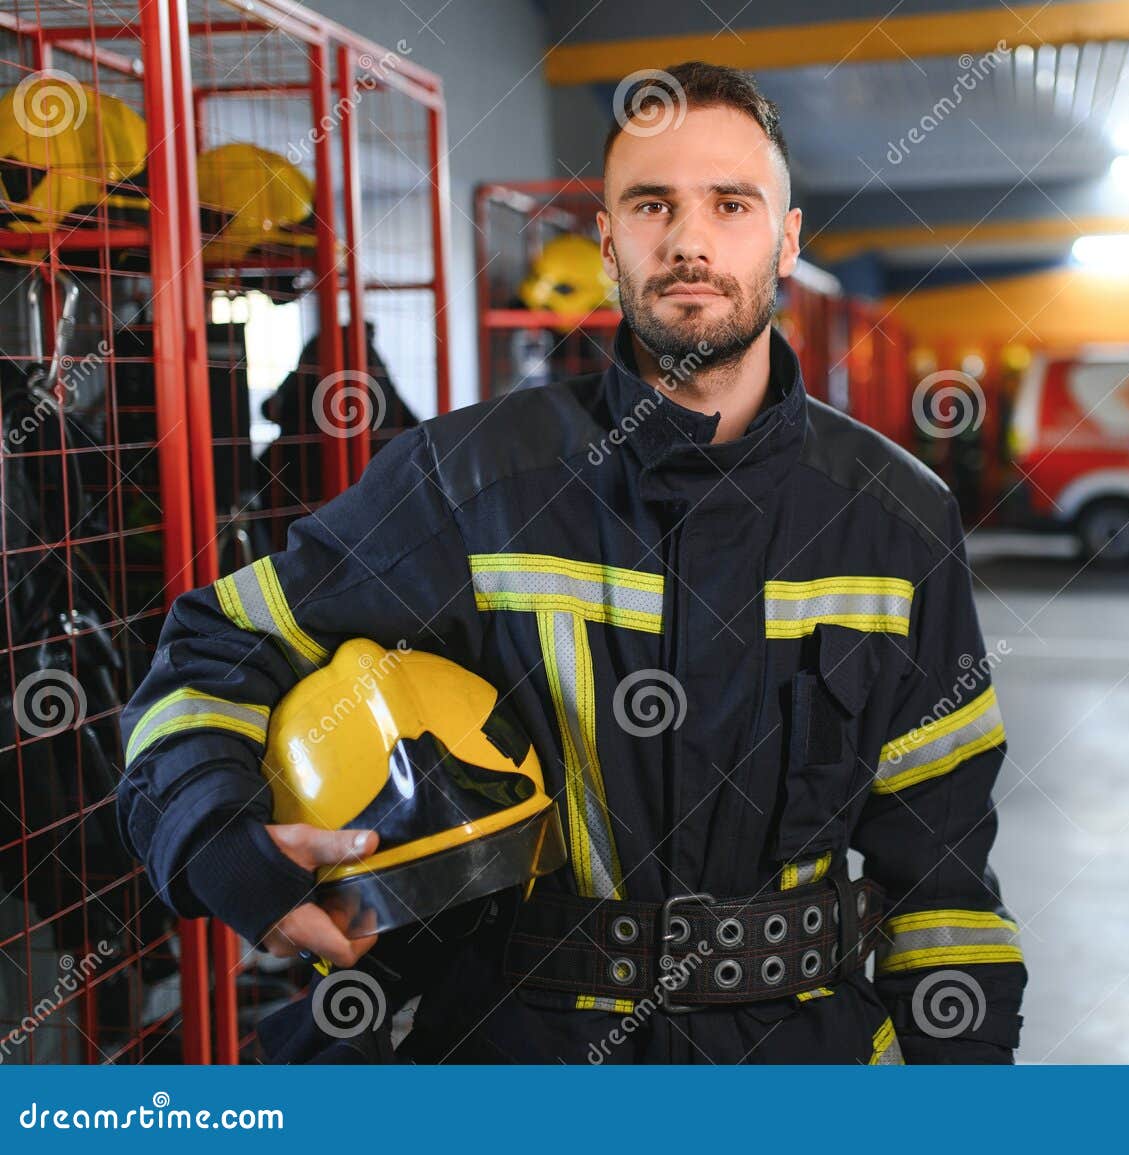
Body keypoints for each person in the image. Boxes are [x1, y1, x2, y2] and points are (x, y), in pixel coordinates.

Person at [116, 61, 1025, 1064]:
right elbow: (218, 645)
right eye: (651, 205)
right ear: (607, 243)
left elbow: (944, 883)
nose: (688, 241)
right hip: (516, 1052)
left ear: (786, 237)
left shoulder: (892, 520)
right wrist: (218, 840)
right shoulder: (467, 482)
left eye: (730, 203)